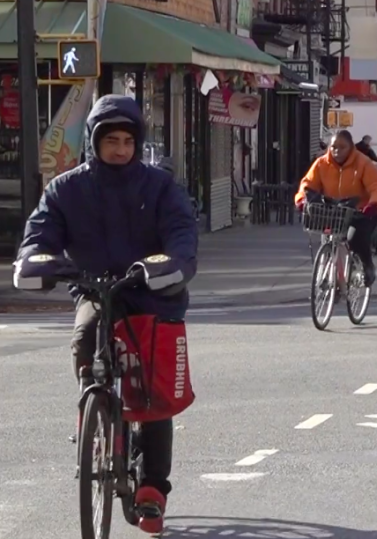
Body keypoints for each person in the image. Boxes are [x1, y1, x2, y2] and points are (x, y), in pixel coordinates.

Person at [12, 94, 198, 534]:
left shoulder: (160, 187)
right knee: (85, 336)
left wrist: (173, 264)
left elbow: (182, 235)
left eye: (127, 140)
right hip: (96, 290)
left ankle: (153, 487)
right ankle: (94, 412)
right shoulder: (66, 188)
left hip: (151, 293)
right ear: (93, 141)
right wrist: (36, 259)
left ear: (138, 142)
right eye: (109, 139)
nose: (119, 148)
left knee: (152, 391)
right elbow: (40, 233)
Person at [295, 130, 377, 285]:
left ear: (351, 147)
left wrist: (374, 204)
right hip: (333, 211)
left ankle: (367, 266)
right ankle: (332, 278)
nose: (337, 151)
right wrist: (301, 200)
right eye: (333, 147)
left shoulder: (363, 163)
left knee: (355, 238)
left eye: (342, 147)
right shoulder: (321, 164)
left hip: (360, 211)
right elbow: (307, 184)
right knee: (326, 235)